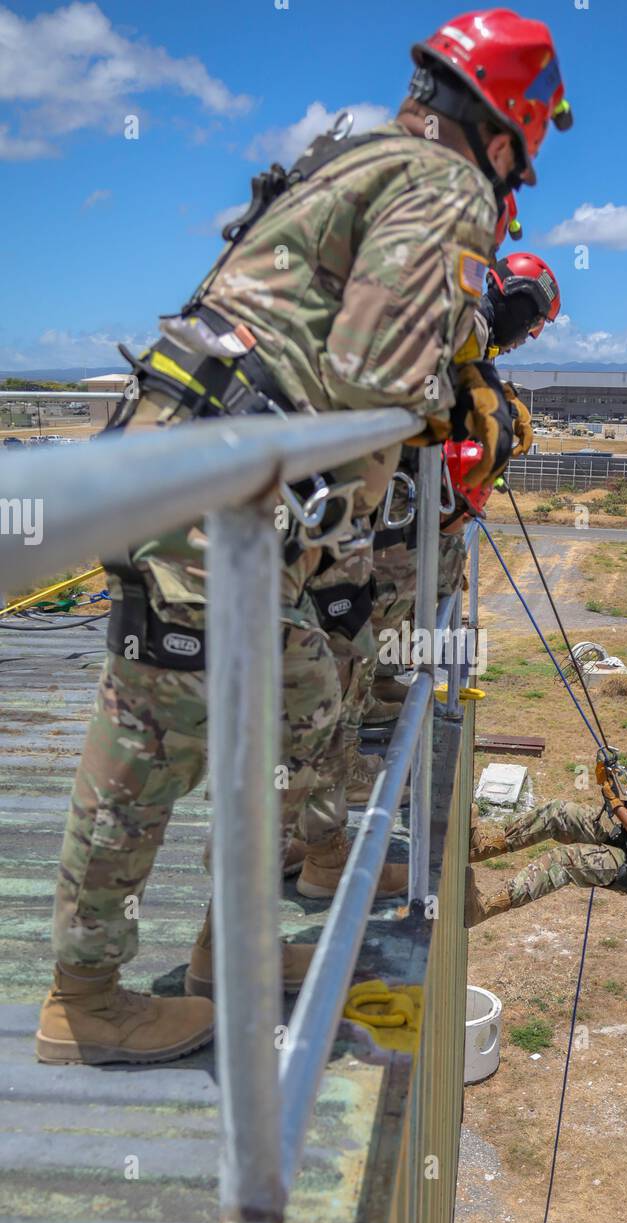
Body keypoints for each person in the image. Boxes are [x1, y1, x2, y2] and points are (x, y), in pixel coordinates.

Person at [36, 8, 571, 1063]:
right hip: (213, 489)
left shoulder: (361, 153)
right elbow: (376, 371)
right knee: (177, 732)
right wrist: (443, 374)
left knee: (253, 720)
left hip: (210, 469)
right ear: (508, 126)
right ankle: (88, 1000)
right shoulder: (448, 184)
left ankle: (212, 951)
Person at [290, 247, 562, 897]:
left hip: (366, 514)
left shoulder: (460, 343)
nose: (523, 340)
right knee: (347, 640)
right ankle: (333, 784)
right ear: (518, 306)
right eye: (530, 325)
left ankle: (328, 779)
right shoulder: (451, 328)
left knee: (370, 627)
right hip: (358, 522)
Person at [466, 708, 627, 924]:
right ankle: (485, 848)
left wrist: (617, 805)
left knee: (562, 861)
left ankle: (485, 908)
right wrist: (615, 790)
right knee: (558, 813)